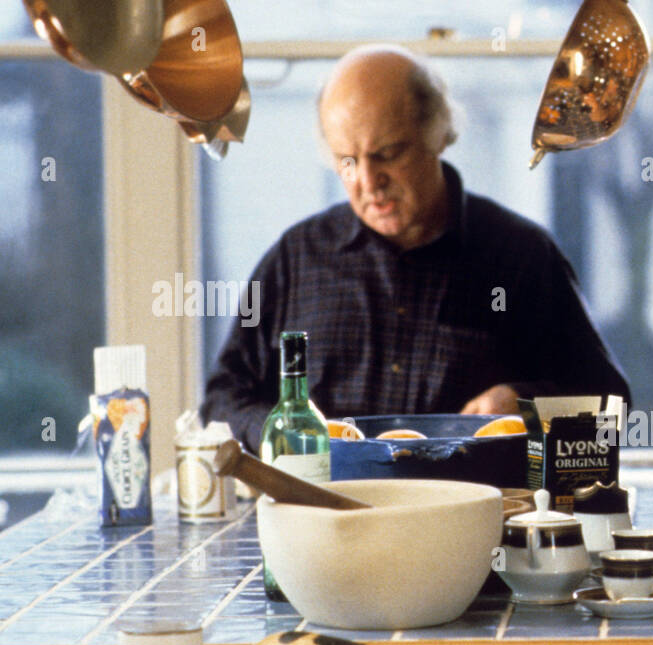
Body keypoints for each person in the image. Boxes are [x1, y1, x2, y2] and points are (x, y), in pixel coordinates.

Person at [202, 45, 629, 450]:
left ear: (438, 133)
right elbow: (222, 402)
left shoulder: (521, 256)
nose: (368, 182)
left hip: (474, 521)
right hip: (327, 518)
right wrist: (282, 433)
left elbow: (610, 407)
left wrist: (525, 406)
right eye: (347, 161)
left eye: (388, 154)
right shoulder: (297, 259)